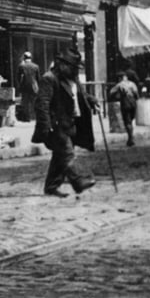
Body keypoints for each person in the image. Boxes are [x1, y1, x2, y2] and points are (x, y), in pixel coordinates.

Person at [34, 48, 96, 198]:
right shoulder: (49, 78)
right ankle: (78, 181)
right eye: (72, 67)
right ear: (61, 64)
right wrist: (46, 126)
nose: (75, 70)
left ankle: (51, 187)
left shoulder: (72, 78)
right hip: (56, 125)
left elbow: (80, 95)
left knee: (59, 156)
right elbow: (42, 104)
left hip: (71, 123)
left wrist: (91, 100)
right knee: (67, 154)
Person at [109, 70, 140, 147]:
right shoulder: (132, 84)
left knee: (127, 122)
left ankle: (131, 139)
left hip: (125, 102)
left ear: (120, 78)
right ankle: (130, 138)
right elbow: (137, 95)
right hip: (133, 103)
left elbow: (111, 92)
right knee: (131, 121)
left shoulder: (119, 85)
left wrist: (118, 96)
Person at [15, 51, 41, 122]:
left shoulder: (21, 66)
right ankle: (34, 117)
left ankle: (27, 118)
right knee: (34, 102)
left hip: (25, 86)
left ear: (24, 58)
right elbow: (38, 78)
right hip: (34, 87)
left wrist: (20, 85)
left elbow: (18, 77)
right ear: (31, 58)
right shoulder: (36, 66)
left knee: (25, 102)